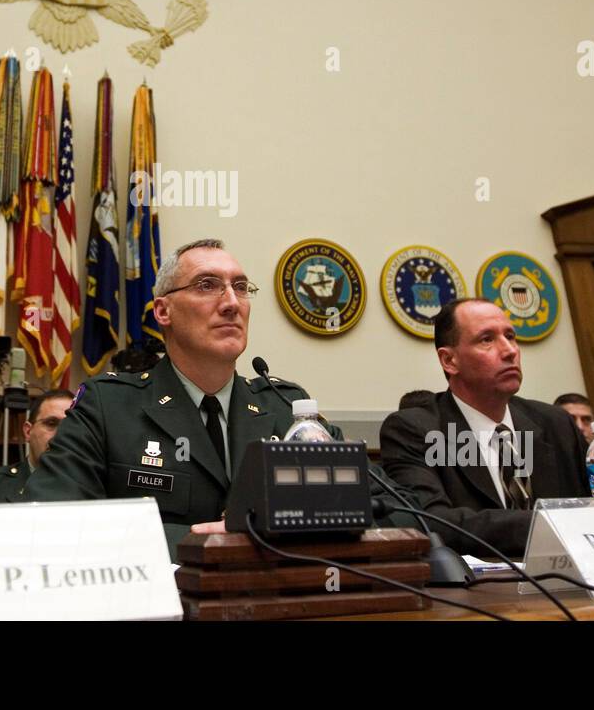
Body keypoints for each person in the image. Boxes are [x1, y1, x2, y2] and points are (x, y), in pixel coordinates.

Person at [23, 238, 418, 559]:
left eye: (241, 287)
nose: (232, 302)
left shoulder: (285, 409)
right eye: (207, 285)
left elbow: (401, 512)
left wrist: (285, 535)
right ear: (163, 311)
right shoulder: (108, 406)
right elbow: (55, 522)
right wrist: (209, 541)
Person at [380, 298, 594, 557]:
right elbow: (435, 523)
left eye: (511, 336)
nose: (510, 350)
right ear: (450, 361)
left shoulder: (553, 422)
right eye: (487, 340)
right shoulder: (415, 428)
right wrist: (560, 522)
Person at [0, 390, 73, 502]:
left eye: (69, 426)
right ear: (28, 431)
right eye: (51, 423)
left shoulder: (94, 487)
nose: (60, 435)